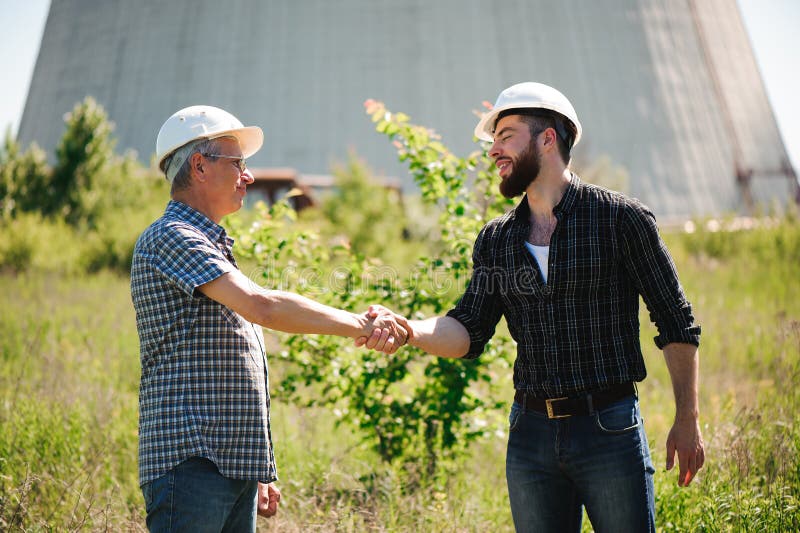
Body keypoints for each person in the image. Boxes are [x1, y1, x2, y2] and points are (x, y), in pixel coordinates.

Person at [360, 82, 704, 532]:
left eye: (506, 136)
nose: (493, 151)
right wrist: (408, 329)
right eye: (494, 140)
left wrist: (687, 418)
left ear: (547, 139)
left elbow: (676, 321)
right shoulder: (497, 238)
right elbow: (467, 328)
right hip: (531, 436)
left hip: (609, 429)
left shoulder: (621, 219)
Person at [131, 105, 408, 532]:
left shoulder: (207, 243)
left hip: (226, 465)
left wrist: (256, 467)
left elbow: (228, 361)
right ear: (199, 166)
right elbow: (263, 306)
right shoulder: (172, 236)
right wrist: (361, 324)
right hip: (192, 466)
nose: (249, 176)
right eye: (237, 163)